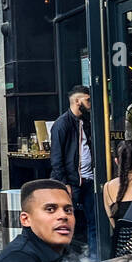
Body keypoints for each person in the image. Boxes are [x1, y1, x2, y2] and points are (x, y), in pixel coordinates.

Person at [49, 85, 97, 251]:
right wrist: (65, 184)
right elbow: (56, 158)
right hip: (72, 182)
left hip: (89, 179)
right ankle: (67, 261)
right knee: (66, 223)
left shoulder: (87, 122)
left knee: (94, 221)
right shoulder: (62, 124)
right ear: (77, 101)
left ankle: (92, 260)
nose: (90, 103)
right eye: (88, 100)